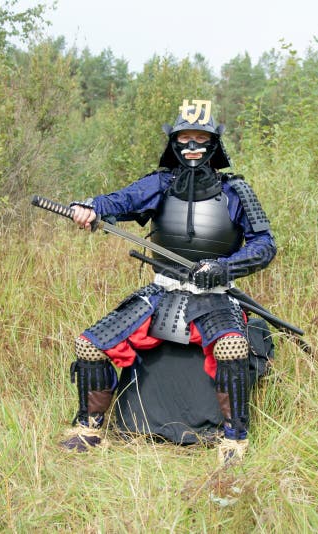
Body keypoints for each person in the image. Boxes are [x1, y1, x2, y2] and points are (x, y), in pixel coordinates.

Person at [62, 99, 276, 464]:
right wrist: (92, 207)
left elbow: (264, 246)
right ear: (174, 143)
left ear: (213, 144)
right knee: (89, 345)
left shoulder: (237, 192)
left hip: (214, 294)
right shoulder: (160, 184)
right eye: (185, 140)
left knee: (231, 349)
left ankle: (234, 439)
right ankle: (90, 427)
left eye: (200, 139)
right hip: (162, 290)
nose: (192, 148)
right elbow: (121, 200)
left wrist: (224, 268)